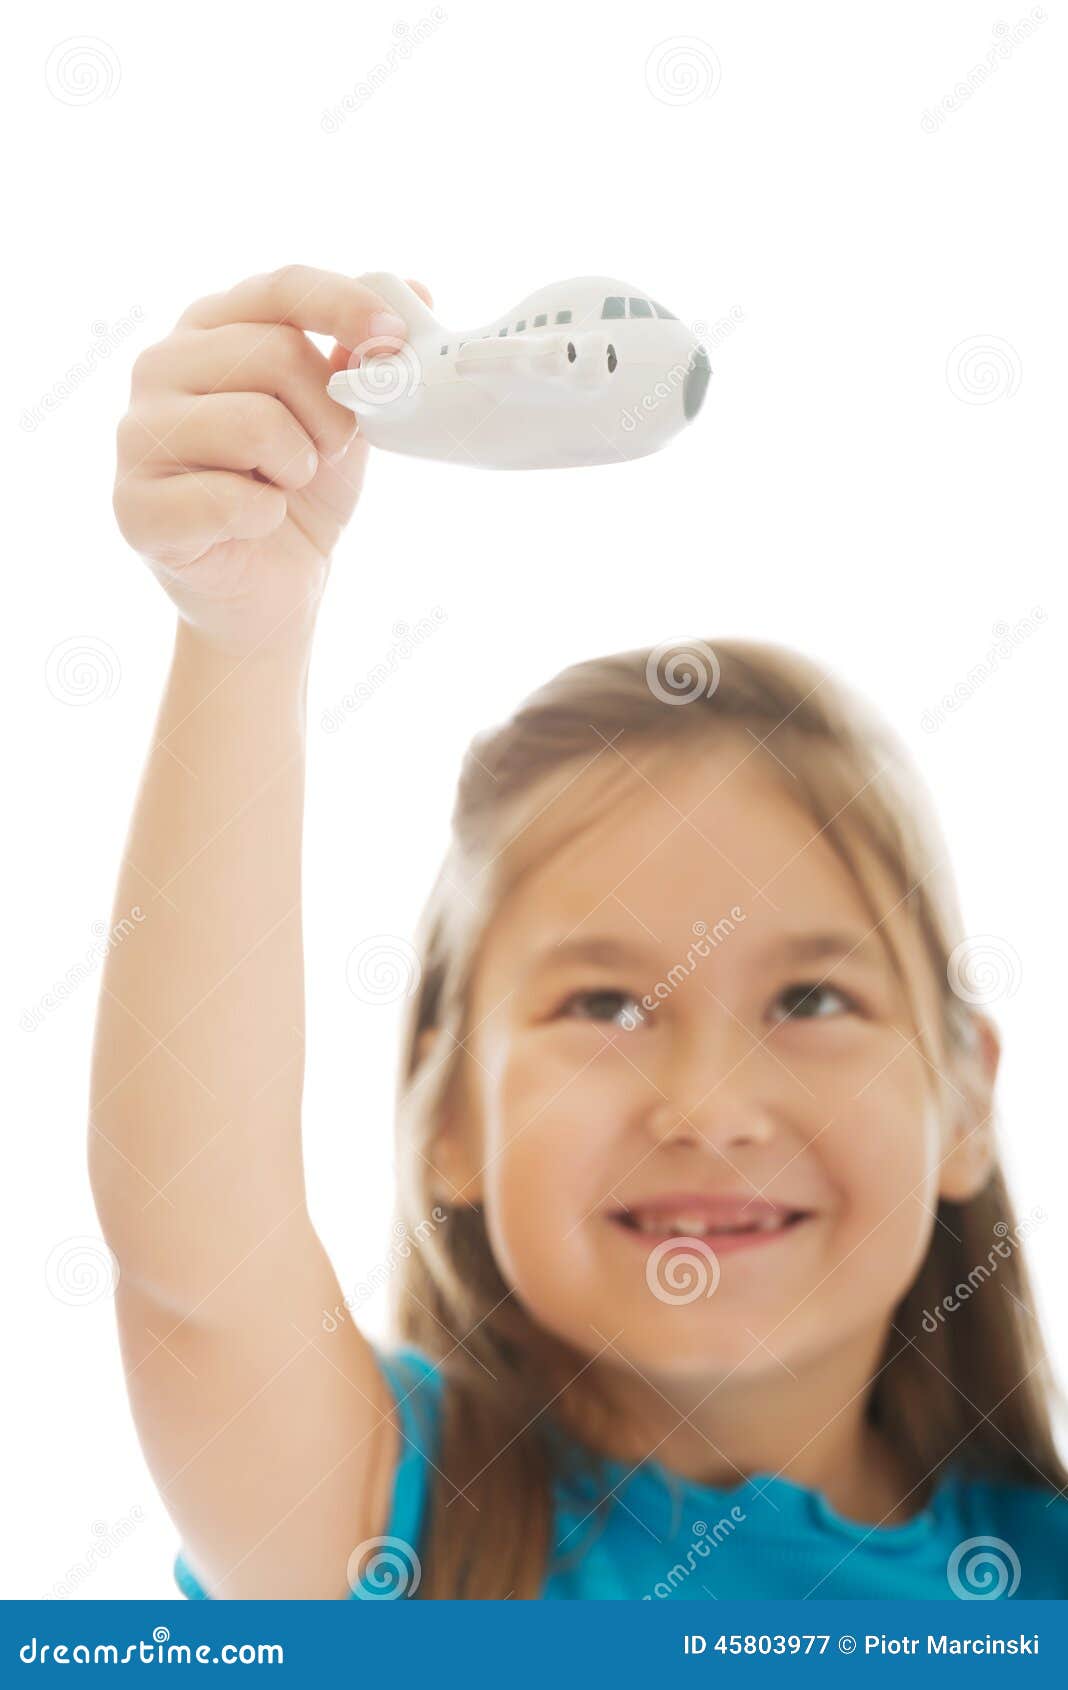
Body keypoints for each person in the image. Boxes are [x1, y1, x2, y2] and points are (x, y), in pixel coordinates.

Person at [91, 267, 1068, 1601]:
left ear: (965, 1097)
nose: (710, 1106)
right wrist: (241, 634)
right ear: (450, 1119)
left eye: (813, 1000)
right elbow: (196, 1256)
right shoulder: (387, 1528)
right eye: (603, 1005)